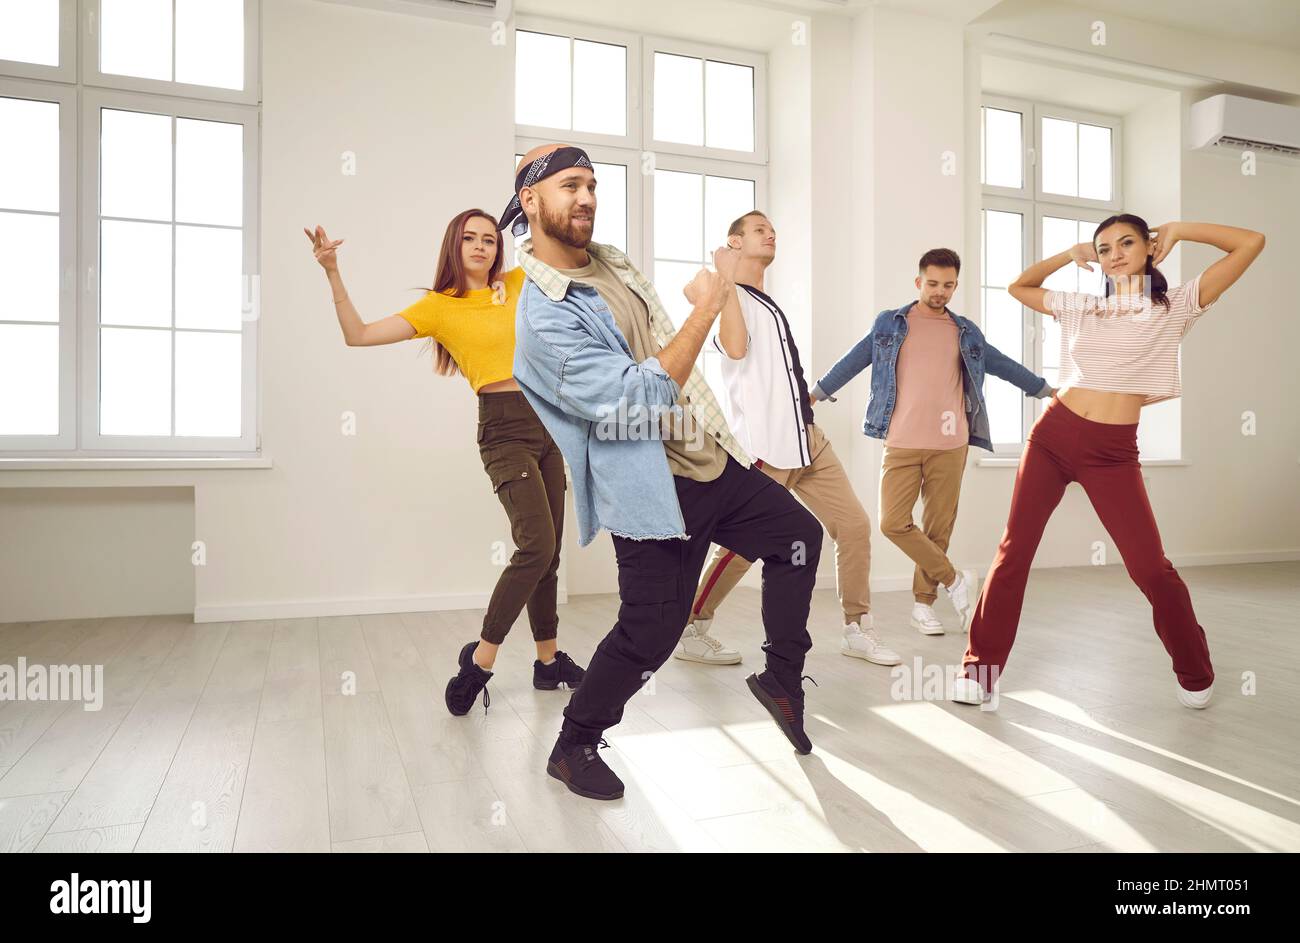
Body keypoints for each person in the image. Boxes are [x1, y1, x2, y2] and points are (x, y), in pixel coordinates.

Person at [504, 143, 825, 800]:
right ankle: (574, 743)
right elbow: (634, 398)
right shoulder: (545, 314)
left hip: (707, 461)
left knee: (799, 536)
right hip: (650, 487)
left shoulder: (608, 263)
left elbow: (657, 352)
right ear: (530, 200)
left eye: (592, 183)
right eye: (570, 185)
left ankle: (781, 680)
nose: (587, 196)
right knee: (651, 631)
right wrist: (713, 304)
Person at [953, 215, 1265, 709]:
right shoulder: (1083, 307)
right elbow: (1019, 286)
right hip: (1052, 437)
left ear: (1148, 248)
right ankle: (980, 669)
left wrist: (1182, 229)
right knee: (1014, 550)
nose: (1115, 253)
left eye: (1126, 243)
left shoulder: (1177, 305)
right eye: (1104, 248)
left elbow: (1250, 241)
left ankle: (1194, 669)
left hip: (1113, 452)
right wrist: (1067, 254)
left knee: (1149, 567)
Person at [305, 209, 585, 718]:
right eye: (469, 239)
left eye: (489, 239)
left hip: (550, 423)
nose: (481, 247)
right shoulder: (438, 307)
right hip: (504, 431)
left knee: (550, 556)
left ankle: (548, 663)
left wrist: (537, 204)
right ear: (454, 247)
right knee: (536, 547)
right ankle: (480, 661)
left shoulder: (522, 283)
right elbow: (359, 335)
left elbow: (566, 250)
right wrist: (331, 271)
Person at [683, 210, 899, 669]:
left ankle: (856, 627)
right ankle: (691, 626)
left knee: (855, 526)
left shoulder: (769, 302)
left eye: (772, 228)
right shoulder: (725, 297)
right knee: (742, 549)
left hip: (808, 439)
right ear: (733, 242)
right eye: (759, 228)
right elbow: (736, 348)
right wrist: (722, 277)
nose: (771, 233)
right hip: (765, 446)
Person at [812, 248, 1053, 636]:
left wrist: (1044, 389)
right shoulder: (890, 325)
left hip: (950, 443)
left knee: (938, 527)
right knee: (893, 522)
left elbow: (1002, 363)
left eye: (949, 285)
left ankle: (924, 606)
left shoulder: (965, 332)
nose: (940, 291)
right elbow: (854, 360)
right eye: (933, 283)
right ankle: (955, 580)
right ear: (918, 282)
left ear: (955, 285)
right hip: (902, 442)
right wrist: (816, 394)